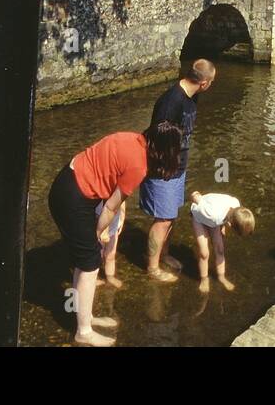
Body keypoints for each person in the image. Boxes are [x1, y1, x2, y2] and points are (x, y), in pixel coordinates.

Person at [48, 122, 184, 345]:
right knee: (91, 263)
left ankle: (86, 316)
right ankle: (83, 332)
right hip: (73, 197)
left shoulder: (128, 137)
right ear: (165, 150)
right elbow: (111, 207)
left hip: (66, 181)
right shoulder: (139, 166)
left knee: (85, 261)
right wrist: (98, 231)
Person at [142, 59, 216, 282]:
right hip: (163, 169)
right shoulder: (170, 102)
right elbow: (155, 139)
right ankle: (152, 268)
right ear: (204, 83)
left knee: (171, 215)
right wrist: (163, 169)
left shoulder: (193, 95)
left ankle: (164, 254)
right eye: (212, 81)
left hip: (178, 166)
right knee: (163, 219)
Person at [188, 191, 255, 292]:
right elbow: (195, 196)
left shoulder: (236, 205)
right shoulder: (213, 214)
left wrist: (222, 226)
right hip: (199, 218)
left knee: (220, 249)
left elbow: (226, 212)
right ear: (230, 224)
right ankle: (204, 278)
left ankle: (221, 277)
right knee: (204, 253)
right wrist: (194, 196)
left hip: (215, 220)